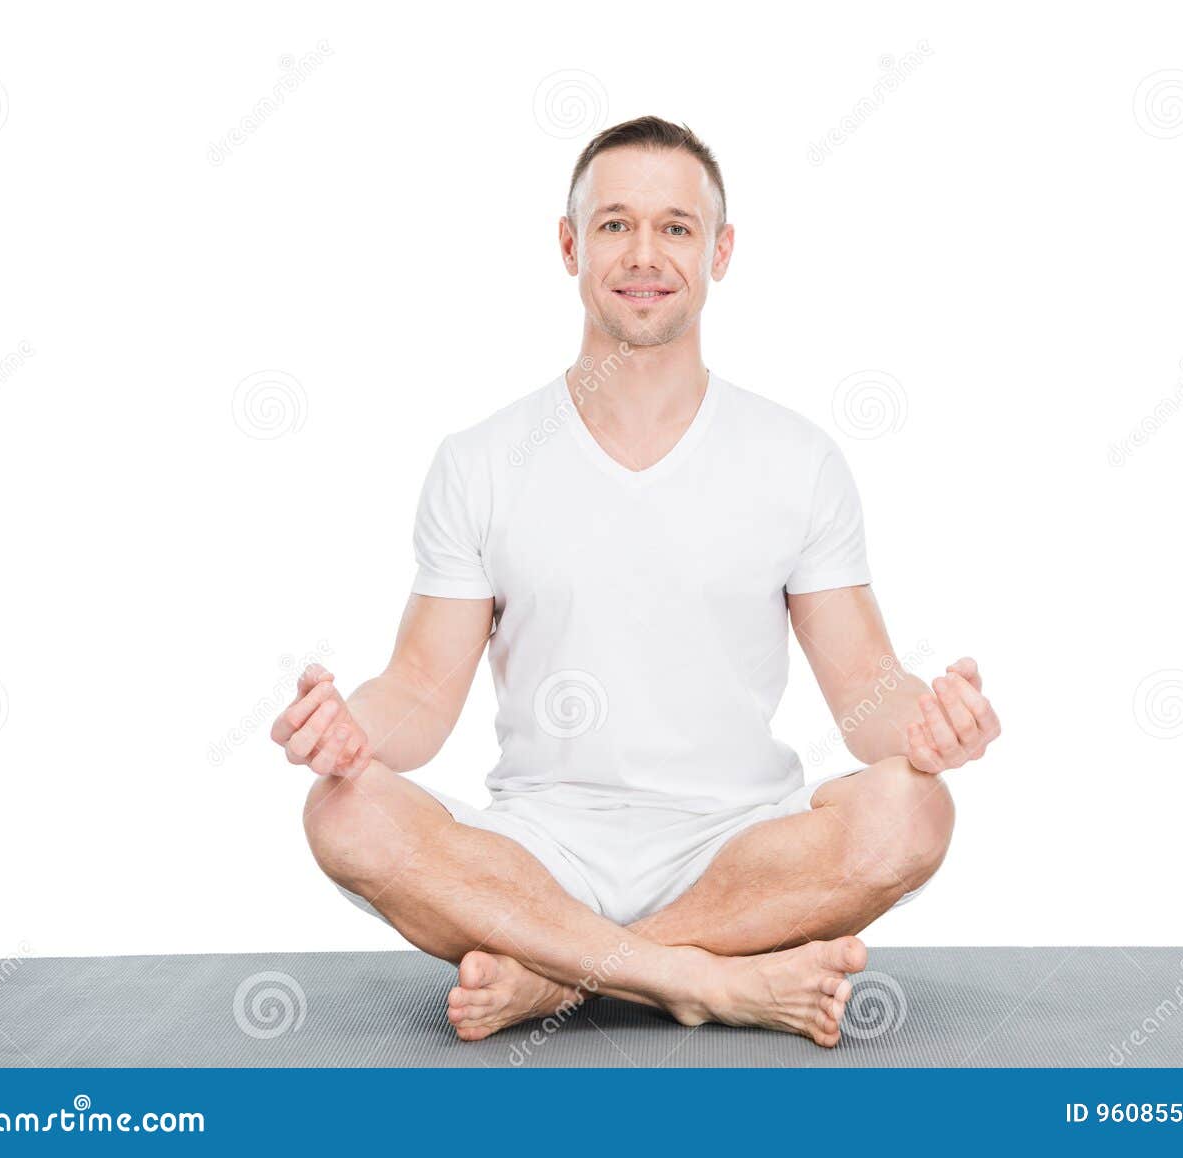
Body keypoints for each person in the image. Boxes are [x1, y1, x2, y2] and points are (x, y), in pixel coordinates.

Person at [273, 116, 1000, 1048]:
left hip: (739, 847)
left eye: (677, 227)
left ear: (720, 251)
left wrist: (936, 726)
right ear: (571, 246)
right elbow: (418, 692)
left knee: (913, 810)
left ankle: (559, 980)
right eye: (615, 225)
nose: (644, 254)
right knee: (345, 814)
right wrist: (349, 730)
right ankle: (694, 979)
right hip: (540, 851)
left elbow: (865, 693)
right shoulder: (482, 461)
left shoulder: (797, 460)